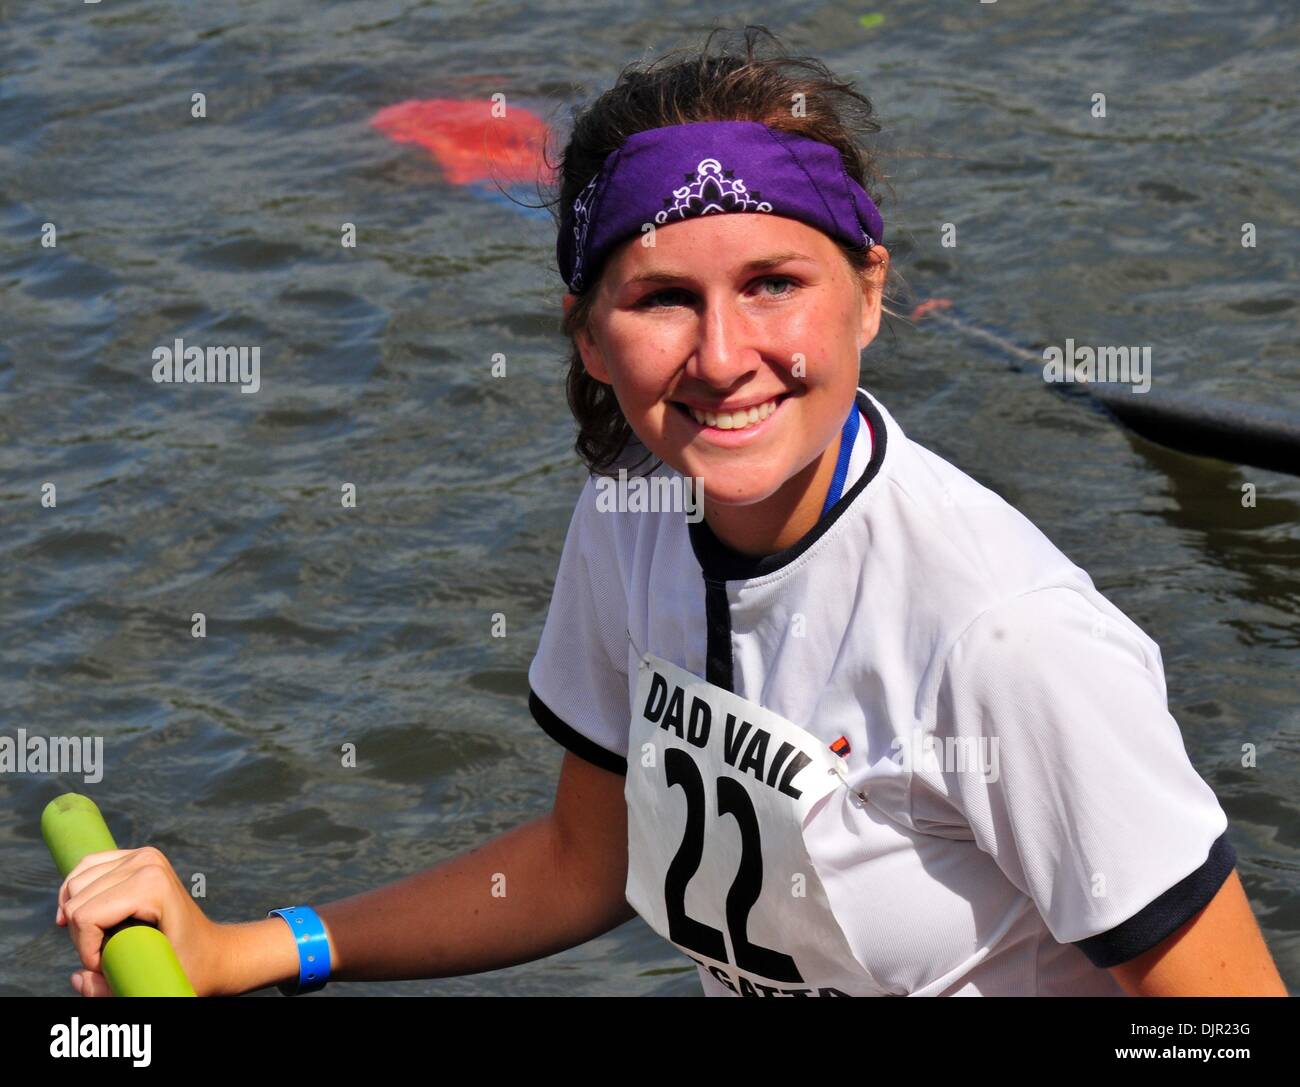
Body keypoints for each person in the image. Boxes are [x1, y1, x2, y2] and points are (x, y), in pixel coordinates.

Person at [56, 27, 1286, 998]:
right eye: (660, 300)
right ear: (589, 339)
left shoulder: (1006, 642)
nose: (722, 356)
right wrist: (247, 948)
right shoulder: (631, 508)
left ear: (868, 294)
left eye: (772, 284)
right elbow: (587, 864)